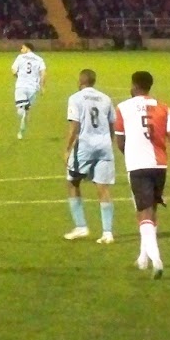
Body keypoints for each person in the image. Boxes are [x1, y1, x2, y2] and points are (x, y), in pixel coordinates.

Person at [114, 70, 170, 279]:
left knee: (142, 213)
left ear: (135, 86)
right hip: (159, 166)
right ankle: (143, 257)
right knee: (151, 210)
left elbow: (119, 140)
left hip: (137, 165)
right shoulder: (163, 107)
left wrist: (129, 153)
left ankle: (156, 260)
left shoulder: (123, 107)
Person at [62, 69, 116, 243]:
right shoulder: (106, 98)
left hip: (85, 146)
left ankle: (81, 227)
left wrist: (67, 148)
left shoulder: (75, 98)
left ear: (80, 81)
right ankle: (107, 233)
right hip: (104, 146)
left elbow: (75, 126)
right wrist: (108, 142)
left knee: (72, 182)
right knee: (103, 187)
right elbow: (112, 125)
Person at [11, 42, 47, 138]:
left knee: (20, 109)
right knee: (27, 111)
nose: (21, 50)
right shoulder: (39, 59)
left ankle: (23, 109)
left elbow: (13, 70)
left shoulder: (20, 57)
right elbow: (43, 74)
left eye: (22, 48)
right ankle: (21, 132)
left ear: (27, 48)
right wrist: (42, 87)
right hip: (33, 88)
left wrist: (19, 76)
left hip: (21, 86)